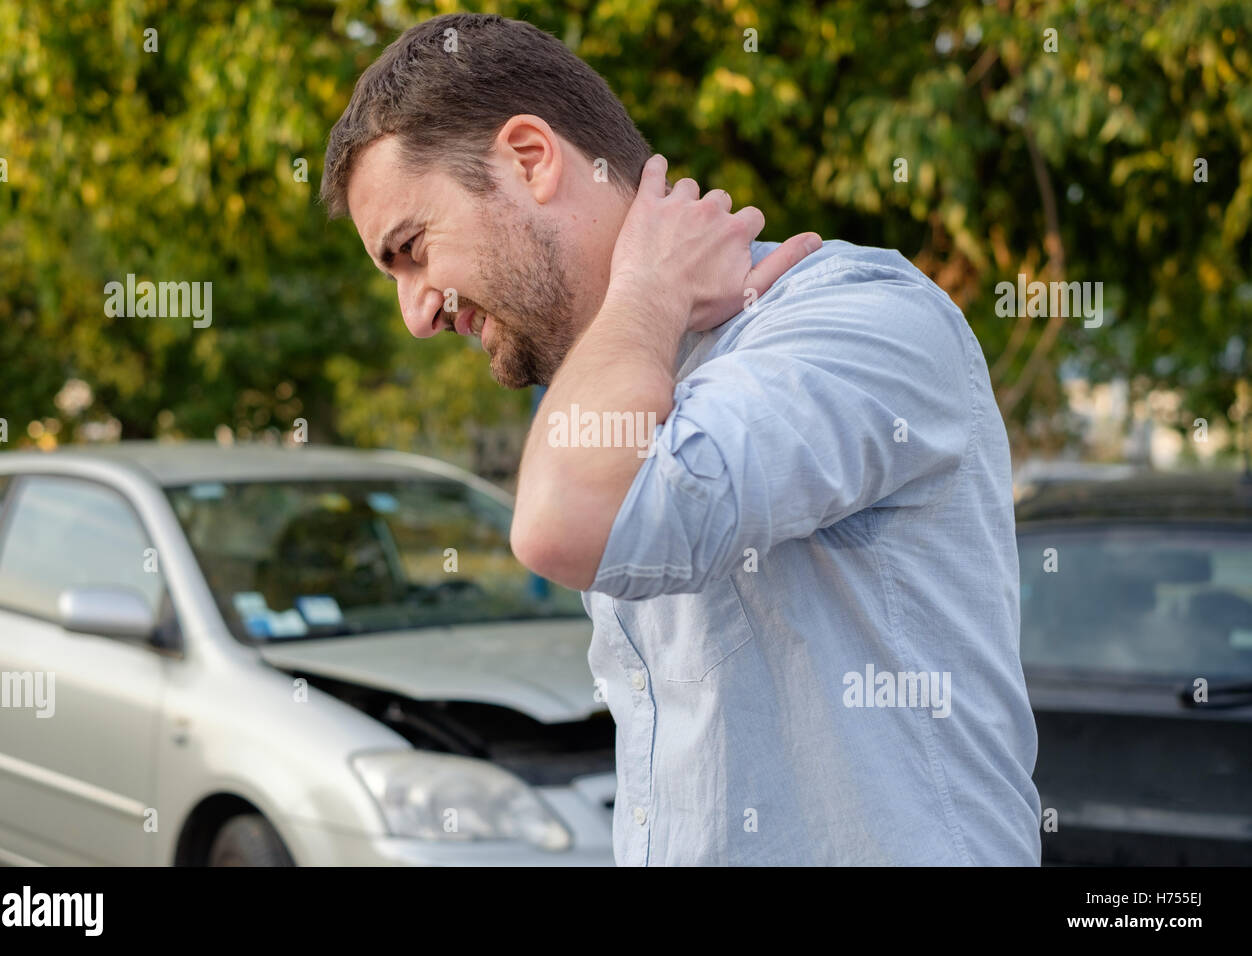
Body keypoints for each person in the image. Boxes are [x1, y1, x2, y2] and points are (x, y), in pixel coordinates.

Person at [321, 12, 1041, 865]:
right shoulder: (623, 376)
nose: (415, 313)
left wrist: (647, 291)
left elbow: (560, 523)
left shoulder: (852, 316)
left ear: (529, 158)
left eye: (412, 249)